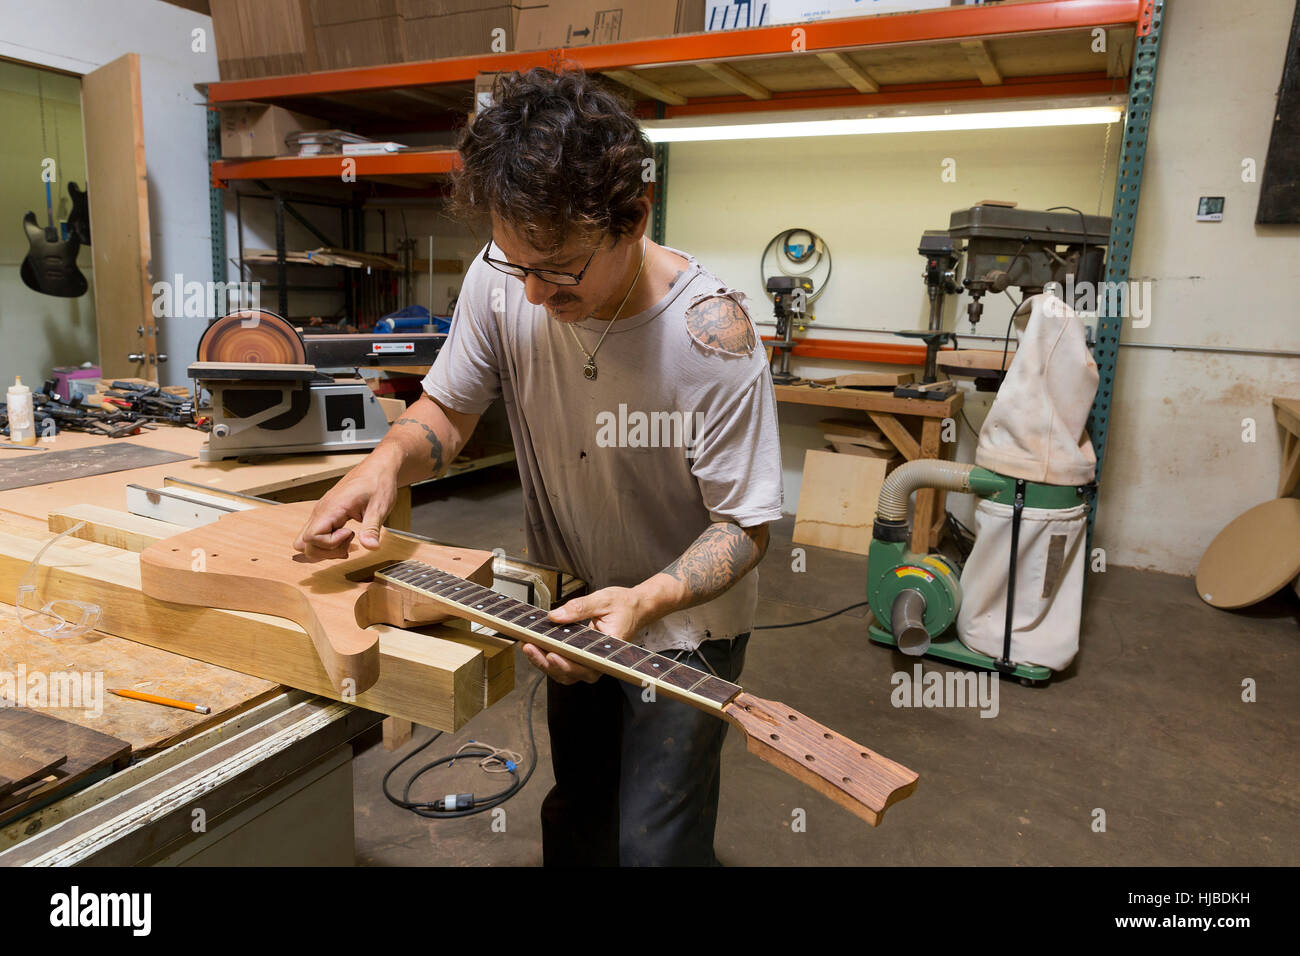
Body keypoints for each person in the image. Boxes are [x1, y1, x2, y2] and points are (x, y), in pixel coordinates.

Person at [294, 65, 784, 866]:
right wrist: (387, 459)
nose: (530, 295)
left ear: (635, 216)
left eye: (558, 270)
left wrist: (648, 598)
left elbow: (745, 526)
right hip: (569, 607)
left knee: (656, 844)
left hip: (687, 625)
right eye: (516, 263)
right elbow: (447, 412)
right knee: (580, 814)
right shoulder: (502, 277)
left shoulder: (712, 341)